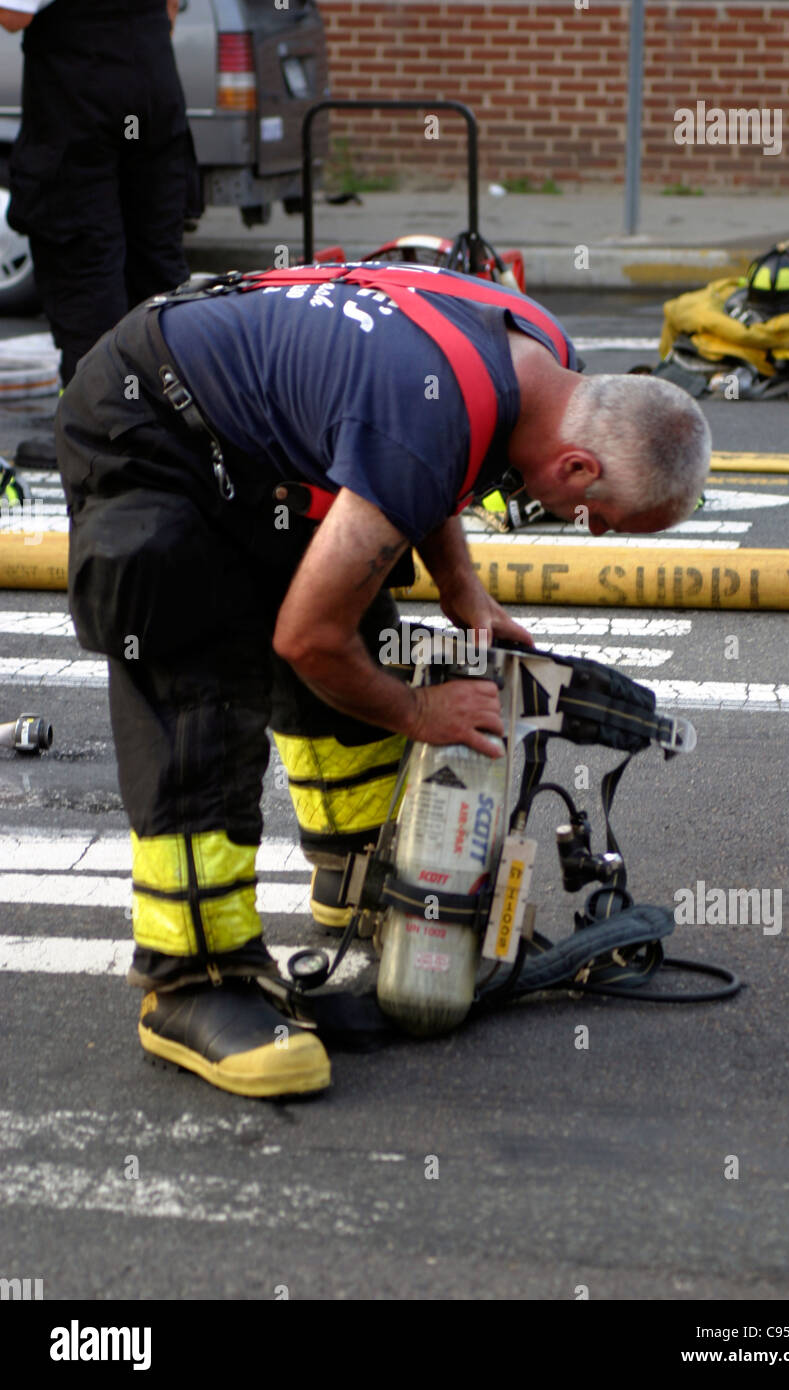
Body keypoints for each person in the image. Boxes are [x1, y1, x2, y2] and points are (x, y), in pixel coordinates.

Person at [55, 261, 711, 1100]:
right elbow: (306, 637)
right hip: (148, 420)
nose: (590, 529)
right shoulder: (428, 422)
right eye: (603, 521)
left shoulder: (543, 355)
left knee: (363, 626)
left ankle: (359, 881)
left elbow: (437, 456)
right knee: (206, 675)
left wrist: (459, 586)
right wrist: (420, 712)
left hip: (249, 436)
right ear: (579, 469)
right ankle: (193, 981)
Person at [0, 0, 191, 391]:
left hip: (80, 96)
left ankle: (107, 432)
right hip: (153, 85)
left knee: (87, 271)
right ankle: (171, 428)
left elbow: (13, 15)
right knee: (156, 268)